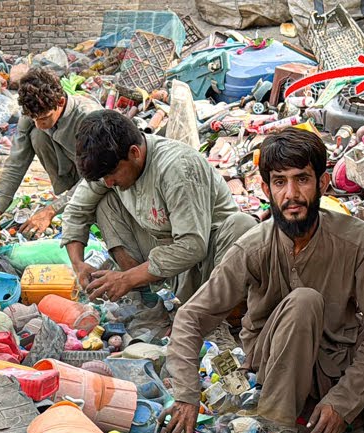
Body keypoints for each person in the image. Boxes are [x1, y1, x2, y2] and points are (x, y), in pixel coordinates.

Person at [164, 128, 364, 433]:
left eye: (302, 179)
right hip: (280, 364)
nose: (291, 194)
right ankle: (277, 426)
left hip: (339, 356)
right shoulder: (253, 247)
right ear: (266, 189)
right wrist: (186, 394)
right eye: (280, 182)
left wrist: (343, 400)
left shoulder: (357, 239)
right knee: (304, 300)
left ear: (323, 184)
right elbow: (191, 317)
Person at [61, 110, 257, 303]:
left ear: (134, 153)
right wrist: (78, 265)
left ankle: (214, 314)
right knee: (105, 203)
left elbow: (193, 245)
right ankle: (143, 297)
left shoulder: (177, 168)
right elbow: (76, 210)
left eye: (112, 174)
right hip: (162, 254)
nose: (109, 182)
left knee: (241, 224)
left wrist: (127, 278)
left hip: (206, 260)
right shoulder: (111, 164)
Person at [0, 67, 101, 248]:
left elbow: (98, 178)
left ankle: (79, 206)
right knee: (36, 134)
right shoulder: (33, 116)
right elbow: (15, 164)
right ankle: (71, 200)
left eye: (44, 118)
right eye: (33, 118)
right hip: (73, 180)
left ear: (60, 101)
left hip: (100, 179)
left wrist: (52, 210)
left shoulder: (89, 118)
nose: (38, 123)